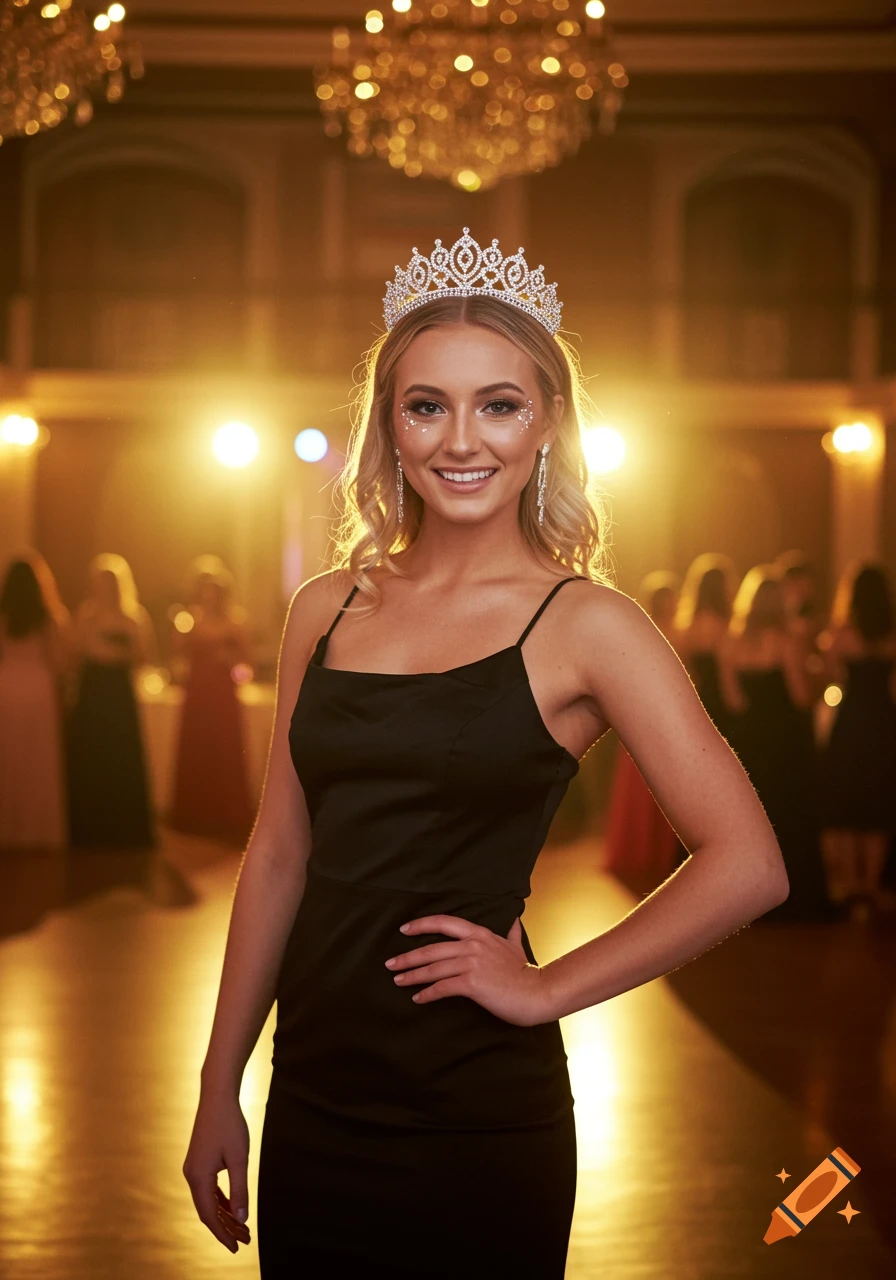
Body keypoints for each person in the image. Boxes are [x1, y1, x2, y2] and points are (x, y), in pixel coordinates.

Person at [182, 228, 789, 1276]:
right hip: (315, 1096)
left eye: (497, 403)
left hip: (475, 1110)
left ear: (545, 418)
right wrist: (215, 1081)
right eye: (428, 404)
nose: (462, 440)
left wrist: (545, 989)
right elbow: (280, 852)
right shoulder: (323, 610)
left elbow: (748, 862)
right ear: (391, 425)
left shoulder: (586, 624)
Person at [721, 564, 830, 922]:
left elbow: (733, 701)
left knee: (754, 819)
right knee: (790, 816)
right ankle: (794, 900)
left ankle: (750, 903)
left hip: (749, 743)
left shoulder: (731, 642)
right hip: (785, 742)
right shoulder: (786, 640)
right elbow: (800, 697)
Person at [817, 561, 896, 914]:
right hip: (883, 721)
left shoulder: (843, 634)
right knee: (877, 801)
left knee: (847, 800)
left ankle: (849, 884)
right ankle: (872, 883)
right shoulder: (891, 634)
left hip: (850, 723)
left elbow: (829, 676)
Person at [66, 553, 157, 849]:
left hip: (118, 695)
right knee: (93, 755)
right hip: (94, 694)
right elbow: (76, 654)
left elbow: (144, 656)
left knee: (121, 756)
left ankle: (126, 829)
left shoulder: (134, 617)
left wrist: (118, 651)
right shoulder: (85, 615)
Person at [604, 571, 683, 893]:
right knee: (664, 785)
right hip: (660, 719)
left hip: (636, 717)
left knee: (641, 790)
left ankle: (640, 853)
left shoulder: (638, 633)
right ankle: (657, 857)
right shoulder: (676, 633)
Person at [168, 556, 255, 846]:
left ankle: (224, 815)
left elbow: (246, 660)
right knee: (198, 746)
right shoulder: (188, 620)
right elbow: (176, 656)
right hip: (198, 694)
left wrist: (229, 659)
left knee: (223, 747)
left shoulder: (234, 622)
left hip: (222, 694)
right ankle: (194, 814)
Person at [0, 551, 72, 849]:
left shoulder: (3, 617)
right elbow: (59, 661)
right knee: (38, 763)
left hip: (6, 688)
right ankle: (38, 832)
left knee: (8, 761)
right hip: (38, 691)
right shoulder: (50, 618)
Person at [675, 552, 738, 741]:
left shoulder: (687, 624)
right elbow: (726, 668)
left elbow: (684, 666)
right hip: (721, 699)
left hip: (696, 698)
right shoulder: (724, 625)